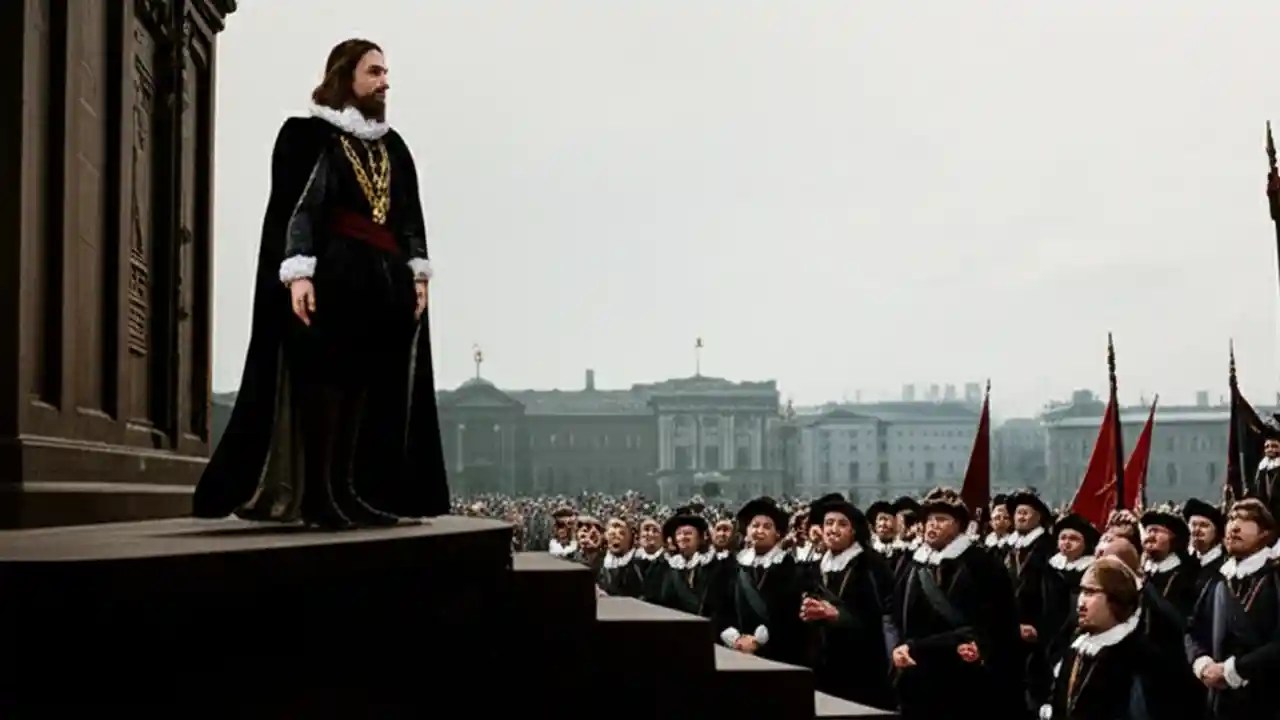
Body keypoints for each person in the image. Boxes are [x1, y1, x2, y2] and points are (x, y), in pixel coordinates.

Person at [193, 38, 449, 527]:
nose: (384, 81)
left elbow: (409, 215)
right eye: (374, 72)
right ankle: (318, 495)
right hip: (332, 277)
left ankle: (349, 490)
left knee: (362, 386)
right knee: (325, 384)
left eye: (386, 72)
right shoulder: (310, 137)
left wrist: (418, 272)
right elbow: (300, 210)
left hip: (383, 280)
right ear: (345, 76)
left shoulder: (393, 147)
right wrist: (297, 273)